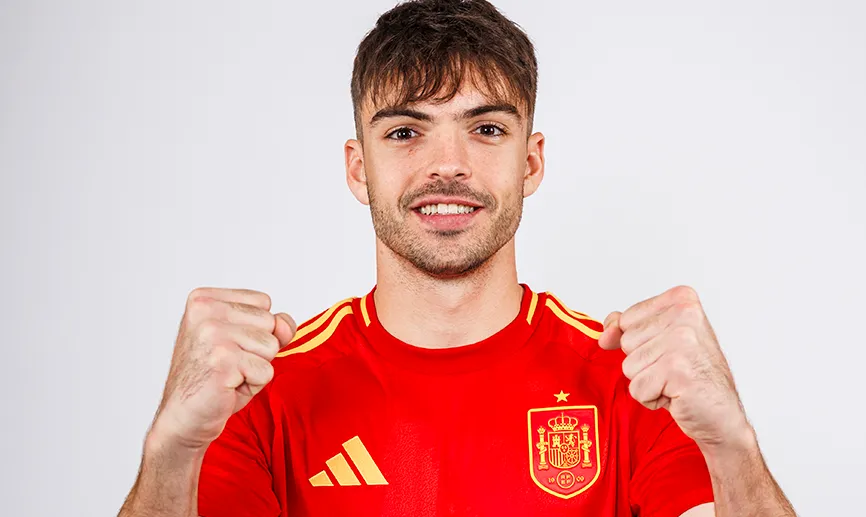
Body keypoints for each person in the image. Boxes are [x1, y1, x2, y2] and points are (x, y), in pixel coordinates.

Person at [118, 1, 797, 515]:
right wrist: (169, 451)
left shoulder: (636, 384)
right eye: (407, 130)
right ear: (359, 169)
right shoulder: (260, 394)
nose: (448, 164)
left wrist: (734, 444)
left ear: (530, 161)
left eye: (487, 129)